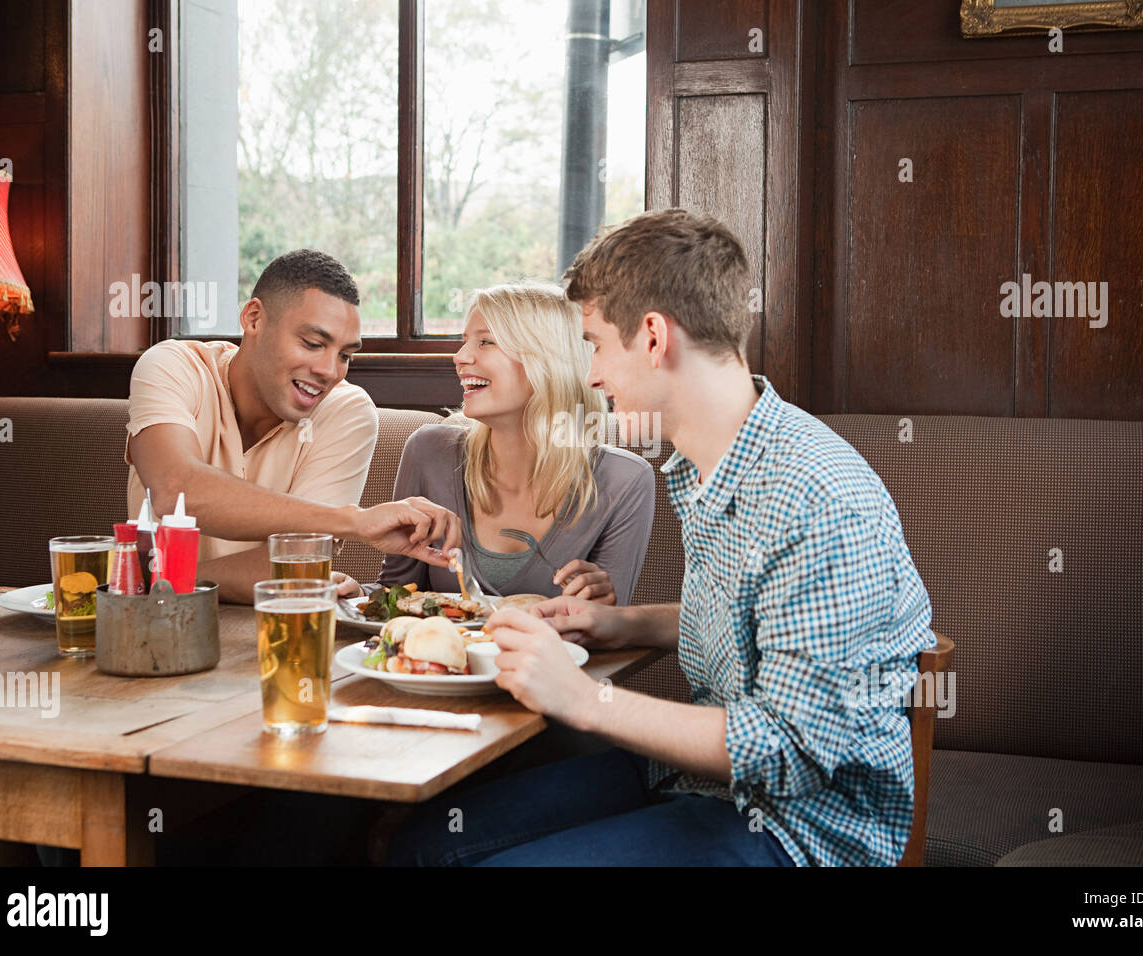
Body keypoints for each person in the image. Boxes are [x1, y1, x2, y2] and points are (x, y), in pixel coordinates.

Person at [383, 209, 936, 867]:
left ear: (651, 337)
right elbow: (758, 623)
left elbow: (788, 750)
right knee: (420, 846)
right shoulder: (715, 463)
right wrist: (621, 625)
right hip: (703, 784)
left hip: (797, 830)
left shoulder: (813, 497)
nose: (589, 374)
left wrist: (586, 700)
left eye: (593, 342)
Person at [125, 248, 461, 604]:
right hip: (153, 626)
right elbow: (175, 491)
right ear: (254, 318)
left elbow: (300, 564)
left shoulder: (347, 409)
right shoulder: (173, 367)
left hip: (272, 627)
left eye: (345, 355)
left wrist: (167, 578)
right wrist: (354, 521)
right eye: (313, 344)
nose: (330, 371)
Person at [376, 283, 654, 606]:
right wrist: (352, 596)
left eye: (486, 342)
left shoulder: (624, 481)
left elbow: (609, 625)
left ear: (547, 361)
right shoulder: (429, 452)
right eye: (465, 342)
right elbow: (394, 596)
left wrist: (598, 606)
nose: (460, 357)